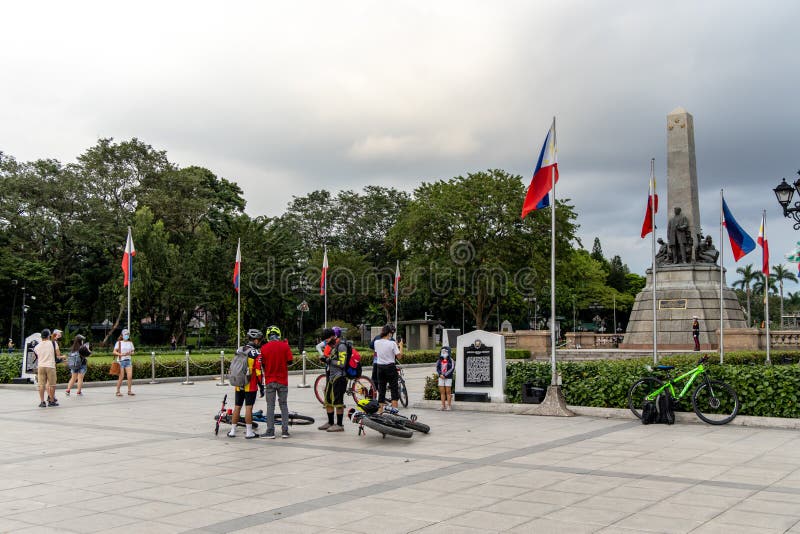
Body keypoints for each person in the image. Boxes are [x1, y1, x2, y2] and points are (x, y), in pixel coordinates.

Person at [228, 329, 264, 439]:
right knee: (249, 408)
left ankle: (233, 431)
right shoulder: (256, 353)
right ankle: (249, 432)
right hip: (250, 384)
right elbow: (258, 372)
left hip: (239, 383)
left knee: (237, 407)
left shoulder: (239, 350)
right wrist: (261, 387)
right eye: (260, 340)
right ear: (256, 340)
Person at [260, 325, 293, 439]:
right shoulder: (285, 346)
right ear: (278, 335)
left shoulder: (264, 348)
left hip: (270, 380)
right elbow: (290, 362)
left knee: (270, 406)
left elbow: (263, 364)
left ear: (268, 336)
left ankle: (270, 431)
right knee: (283, 405)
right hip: (283, 380)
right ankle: (285, 431)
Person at [317, 327, 348, 432]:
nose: (326, 342)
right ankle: (330, 422)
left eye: (327, 340)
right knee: (328, 401)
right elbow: (331, 360)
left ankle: (339, 425)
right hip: (331, 376)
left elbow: (342, 363)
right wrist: (325, 360)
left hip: (340, 377)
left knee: (338, 402)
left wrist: (328, 360)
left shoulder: (342, 346)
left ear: (333, 337)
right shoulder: (333, 347)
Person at [373, 324, 402, 410]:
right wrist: (401, 346)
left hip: (380, 368)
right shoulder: (392, 343)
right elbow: (399, 356)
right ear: (389, 333)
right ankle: (395, 414)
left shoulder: (376, 342)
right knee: (394, 390)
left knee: (381, 391)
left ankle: (380, 413)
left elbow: (379, 352)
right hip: (390, 368)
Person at [34, 329, 59, 407]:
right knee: (52, 384)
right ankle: (51, 401)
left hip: (41, 366)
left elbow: (37, 356)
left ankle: (42, 402)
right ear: (49, 336)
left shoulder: (37, 346)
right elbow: (57, 354)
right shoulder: (53, 343)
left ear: (41, 337)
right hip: (50, 366)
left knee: (41, 385)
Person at [113, 328, 135, 396]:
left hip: (128, 361)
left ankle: (129, 391)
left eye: (128, 334)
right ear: (122, 335)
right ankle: (118, 391)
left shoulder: (130, 343)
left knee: (130, 376)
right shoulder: (119, 343)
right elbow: (114, 351)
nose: (127, 335)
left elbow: (133, 351)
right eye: (125, 334)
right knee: (121, 377)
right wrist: (120, 354)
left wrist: (130, 353)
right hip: (121, 361)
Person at [436, 346, 455, 410]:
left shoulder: (451, 360)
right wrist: (440, 374)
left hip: (448, 378)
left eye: (445, 351)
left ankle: (449, 406)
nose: (444, 353)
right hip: (441, 378)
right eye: (442, 351)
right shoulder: (439, 360)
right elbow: (437, 368)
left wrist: (445, 375)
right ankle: (443, 405)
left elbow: (452, 368)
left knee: (448, 392)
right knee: (442, 392)